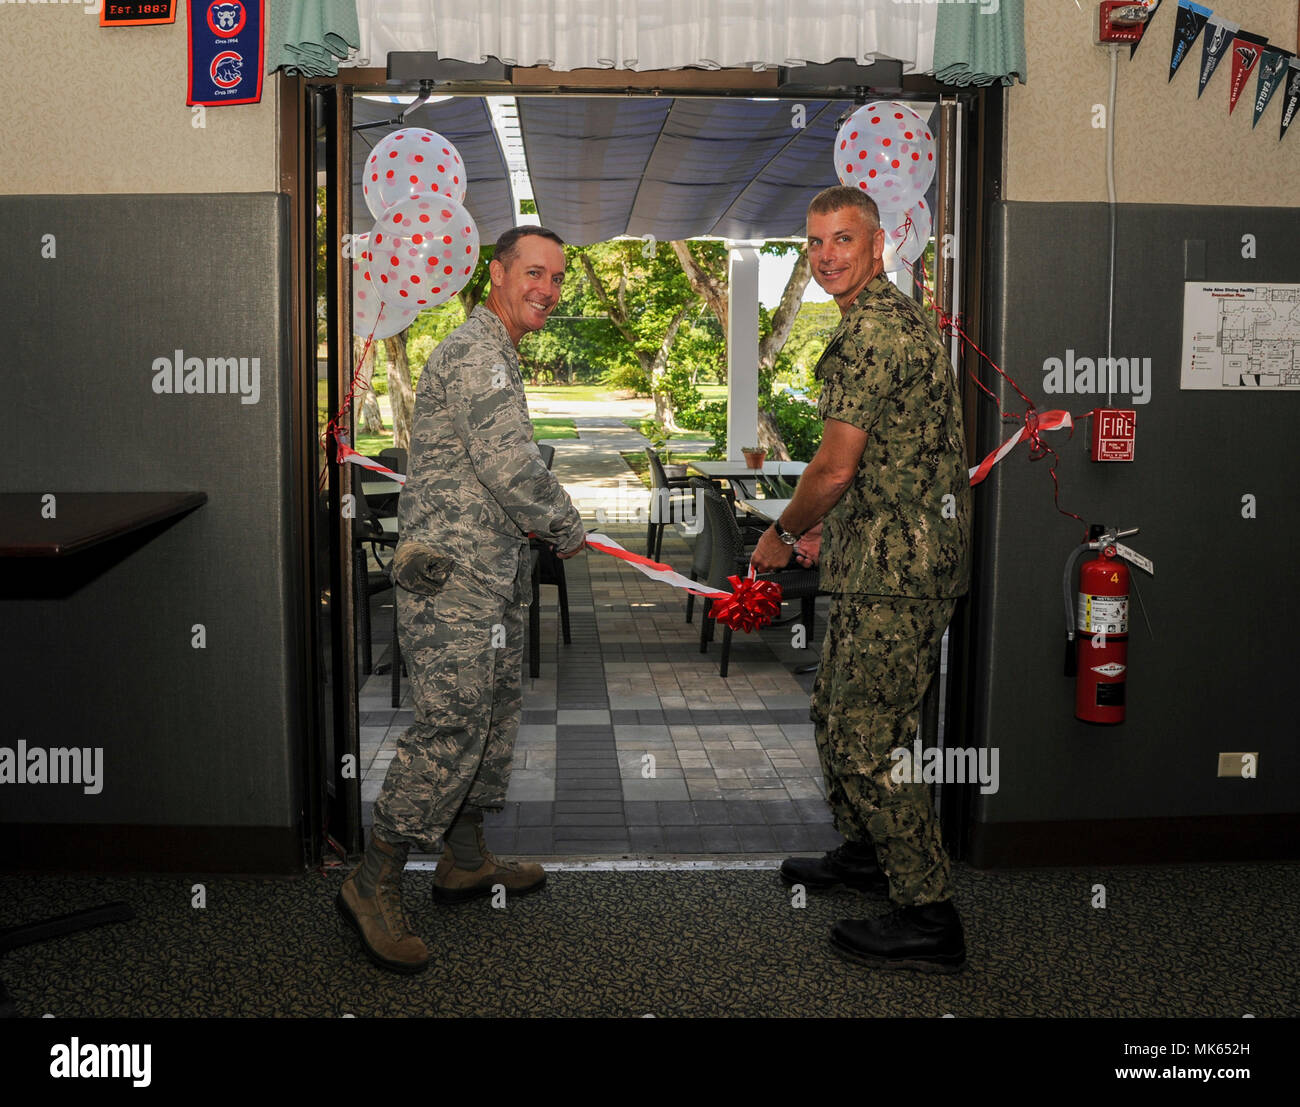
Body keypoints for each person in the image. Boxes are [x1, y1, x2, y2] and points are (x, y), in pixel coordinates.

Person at [337, 226, 586, 974]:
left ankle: (466, 859)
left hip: (491, 577)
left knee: (491, 716)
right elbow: (512, 466)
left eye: (557, 278)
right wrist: (567, 523)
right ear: (497, 274)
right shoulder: (478, 351)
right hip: (453, 583)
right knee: (451, 725)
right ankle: (371, 877)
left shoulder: (497, 349)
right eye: (534, 273)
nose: (547, 288)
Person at [750, 185, 971, 973]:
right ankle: (870, 853)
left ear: (879, 245)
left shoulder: (873, 331)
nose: (828, 256)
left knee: (870, 736)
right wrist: (829, 535)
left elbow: (836, 468)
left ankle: (928, 911)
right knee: (836, 711)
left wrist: (785, 531)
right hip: (883, 555)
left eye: (844, 239)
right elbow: (887, 462)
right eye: (815, 243)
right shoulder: (887, 318)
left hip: (899, 570)